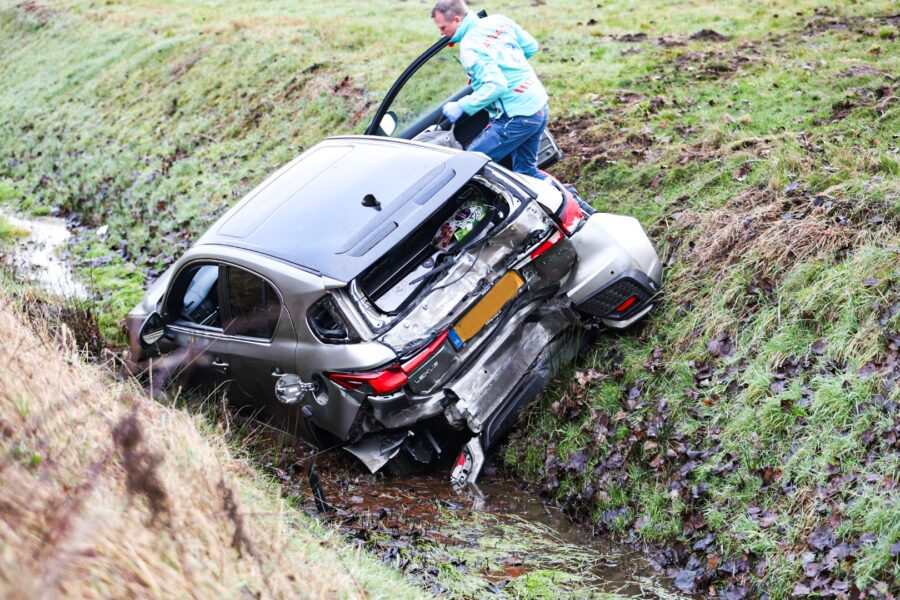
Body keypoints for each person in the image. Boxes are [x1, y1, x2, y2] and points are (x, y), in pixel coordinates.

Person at [431, 0, 549, 179]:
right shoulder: (498, 21)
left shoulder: (470, 47)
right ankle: (582, 207)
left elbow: (496, 86)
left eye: (443, 27)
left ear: (456, 20)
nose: (441, 33)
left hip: (516, 117)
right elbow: (531, 47)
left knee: (467, 166)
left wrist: (462, 105)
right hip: (538, 104)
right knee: (527, 173)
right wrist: (509, 68)